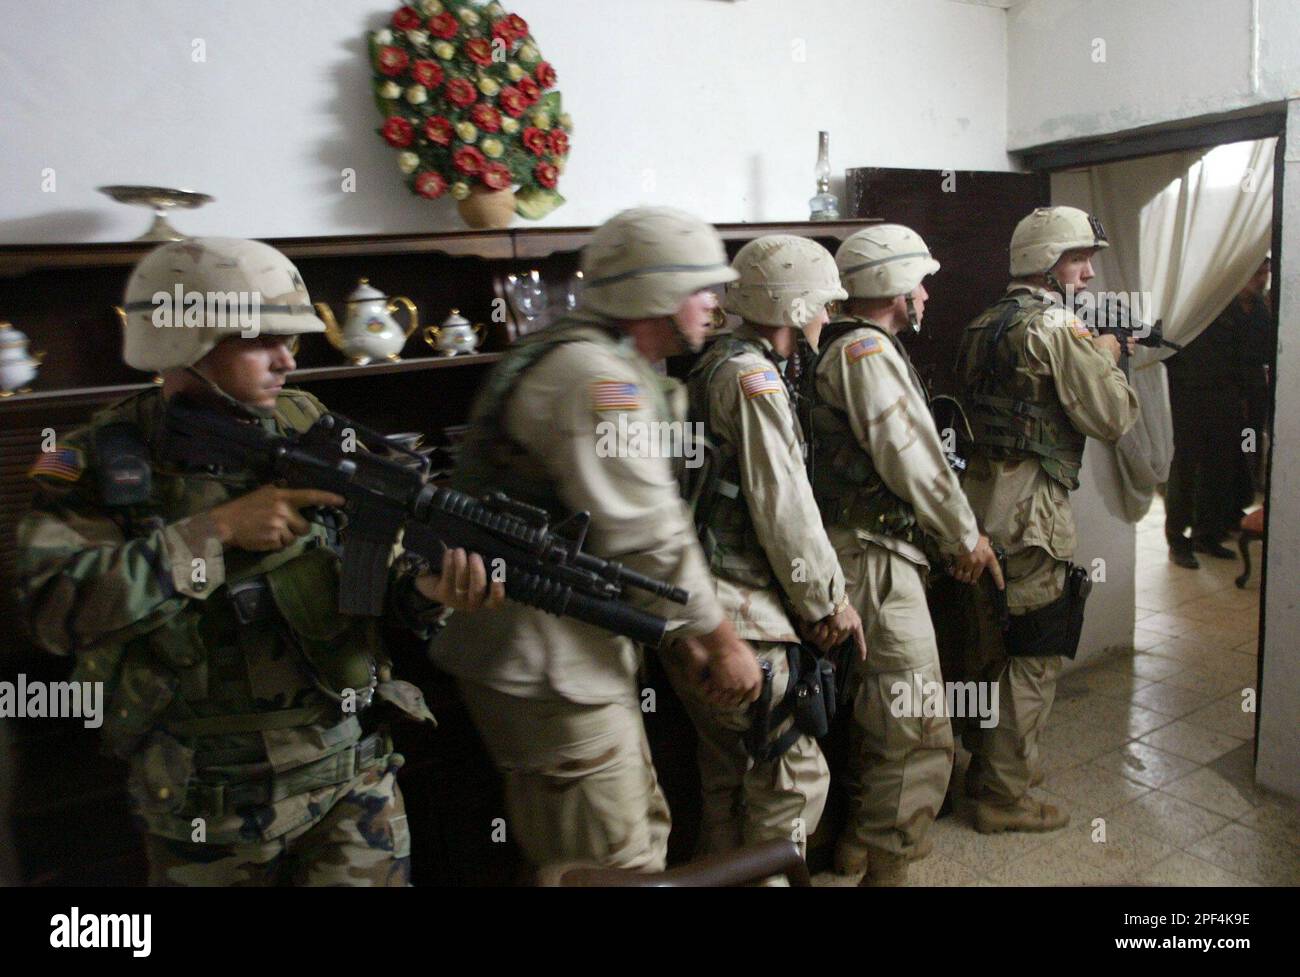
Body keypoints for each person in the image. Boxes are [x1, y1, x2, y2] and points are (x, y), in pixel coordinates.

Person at [16, 237, 502, 886]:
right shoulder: (105, 458)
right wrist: (214, 532)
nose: (285, 361)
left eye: (290, 341)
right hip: (206, 795)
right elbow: (54, 612)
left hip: (348, 771)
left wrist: (428, 589)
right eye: (260, 340)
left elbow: (369, 571)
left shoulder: (304, 422)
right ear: (182, 341)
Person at [431, 207, 763, 873]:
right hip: (546, 661)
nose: (714, 303)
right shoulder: (595, 380)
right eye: (702, 287)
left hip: (568, 646)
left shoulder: (596, 359)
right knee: (604, 862)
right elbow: (648, 534)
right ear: (654, 294)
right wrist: (724, 642)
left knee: (629, 831)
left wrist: (685, 633)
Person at [805, 224, 1002, 885]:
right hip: (873, 559)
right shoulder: (866, 352)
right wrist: (964, 535)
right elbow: (915, 460)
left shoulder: (850, 347)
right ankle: (889, 871)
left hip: (866, 553)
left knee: (880, 716)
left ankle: (863, 842)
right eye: (918, 280)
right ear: (892, 286)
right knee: (914, 721)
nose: (924, 293)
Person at [673, 234, 865, 856]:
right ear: (793, 307)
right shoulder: (753, 379)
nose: (827, 317)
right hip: (744, 619)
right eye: (821, 304)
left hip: (695, 614)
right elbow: (784, 505)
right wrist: (828, 604)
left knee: (727, 779)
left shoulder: (710, 366)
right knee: (792, 779)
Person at [955, 206, 1138, 833]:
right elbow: (1112, 418)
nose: (1087, 272)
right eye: (1076, 259)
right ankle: (1003, 797)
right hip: (1030, 515)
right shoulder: (1058, 327)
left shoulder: (982, 323)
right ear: (1045, 263)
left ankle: (990, 768)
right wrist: (1111, 356)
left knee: (987, 651)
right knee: (1031, 657)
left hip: (977, 512)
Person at [1164, 255, 1272, 567]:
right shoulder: (1205, 304)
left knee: (1220, 468)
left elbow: (1256, 353)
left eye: (1265, 273)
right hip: (1191, 396)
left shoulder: (1255, 311)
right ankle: (1177, 538)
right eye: (1257, 272)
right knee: (1185, 468)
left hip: (1230, 399)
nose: (1261, 278)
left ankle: (1206, 534)